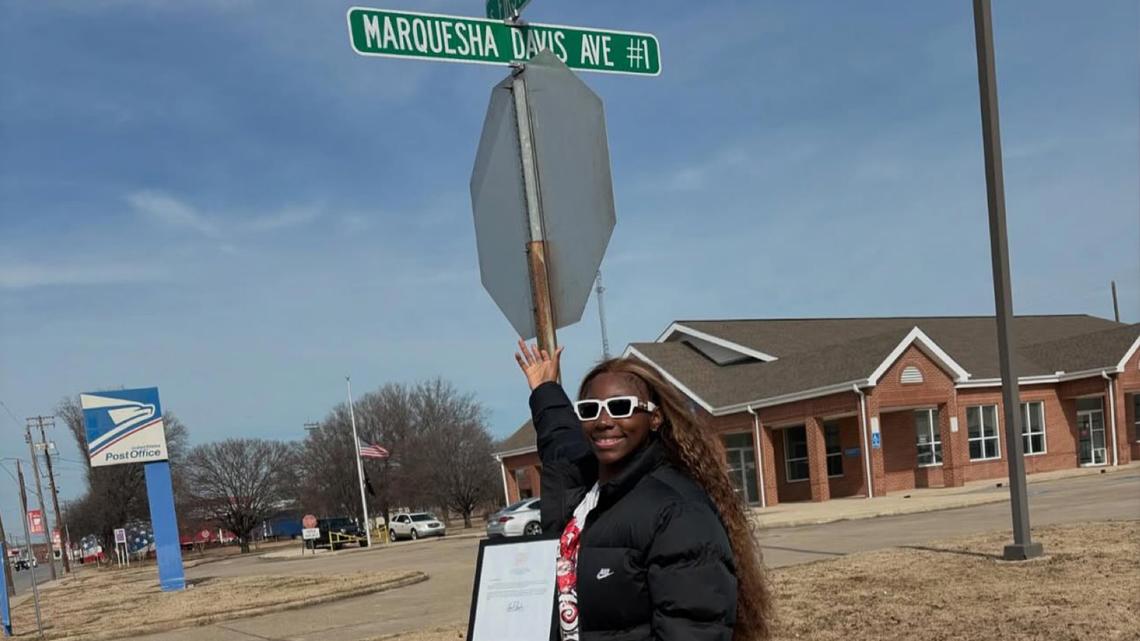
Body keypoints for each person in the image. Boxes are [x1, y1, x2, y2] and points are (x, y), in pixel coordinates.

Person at [514, 340, 772, 641]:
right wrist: (545, 388)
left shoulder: (677, 513)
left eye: (620, 407)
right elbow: (560, 439)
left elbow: (693, 631)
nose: (604, 421)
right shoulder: (587, 487)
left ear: (655, 417)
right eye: (590, 409)